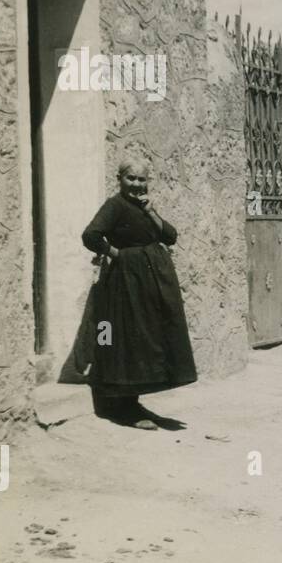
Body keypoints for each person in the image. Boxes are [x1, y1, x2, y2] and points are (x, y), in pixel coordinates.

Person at [81, 155, 197, 429]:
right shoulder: (115, 206)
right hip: (124, 283)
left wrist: (152, 211)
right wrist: (116, 254)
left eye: (141, 179)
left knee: (148, 339)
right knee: (121, 339)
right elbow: (91, 235)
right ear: (119, 179)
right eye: (130, 178)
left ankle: (132, 403)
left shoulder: (146, 208)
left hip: (149, 283)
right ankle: (121, 407)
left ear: (148, 182)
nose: (136, 184)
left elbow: (170, 236)